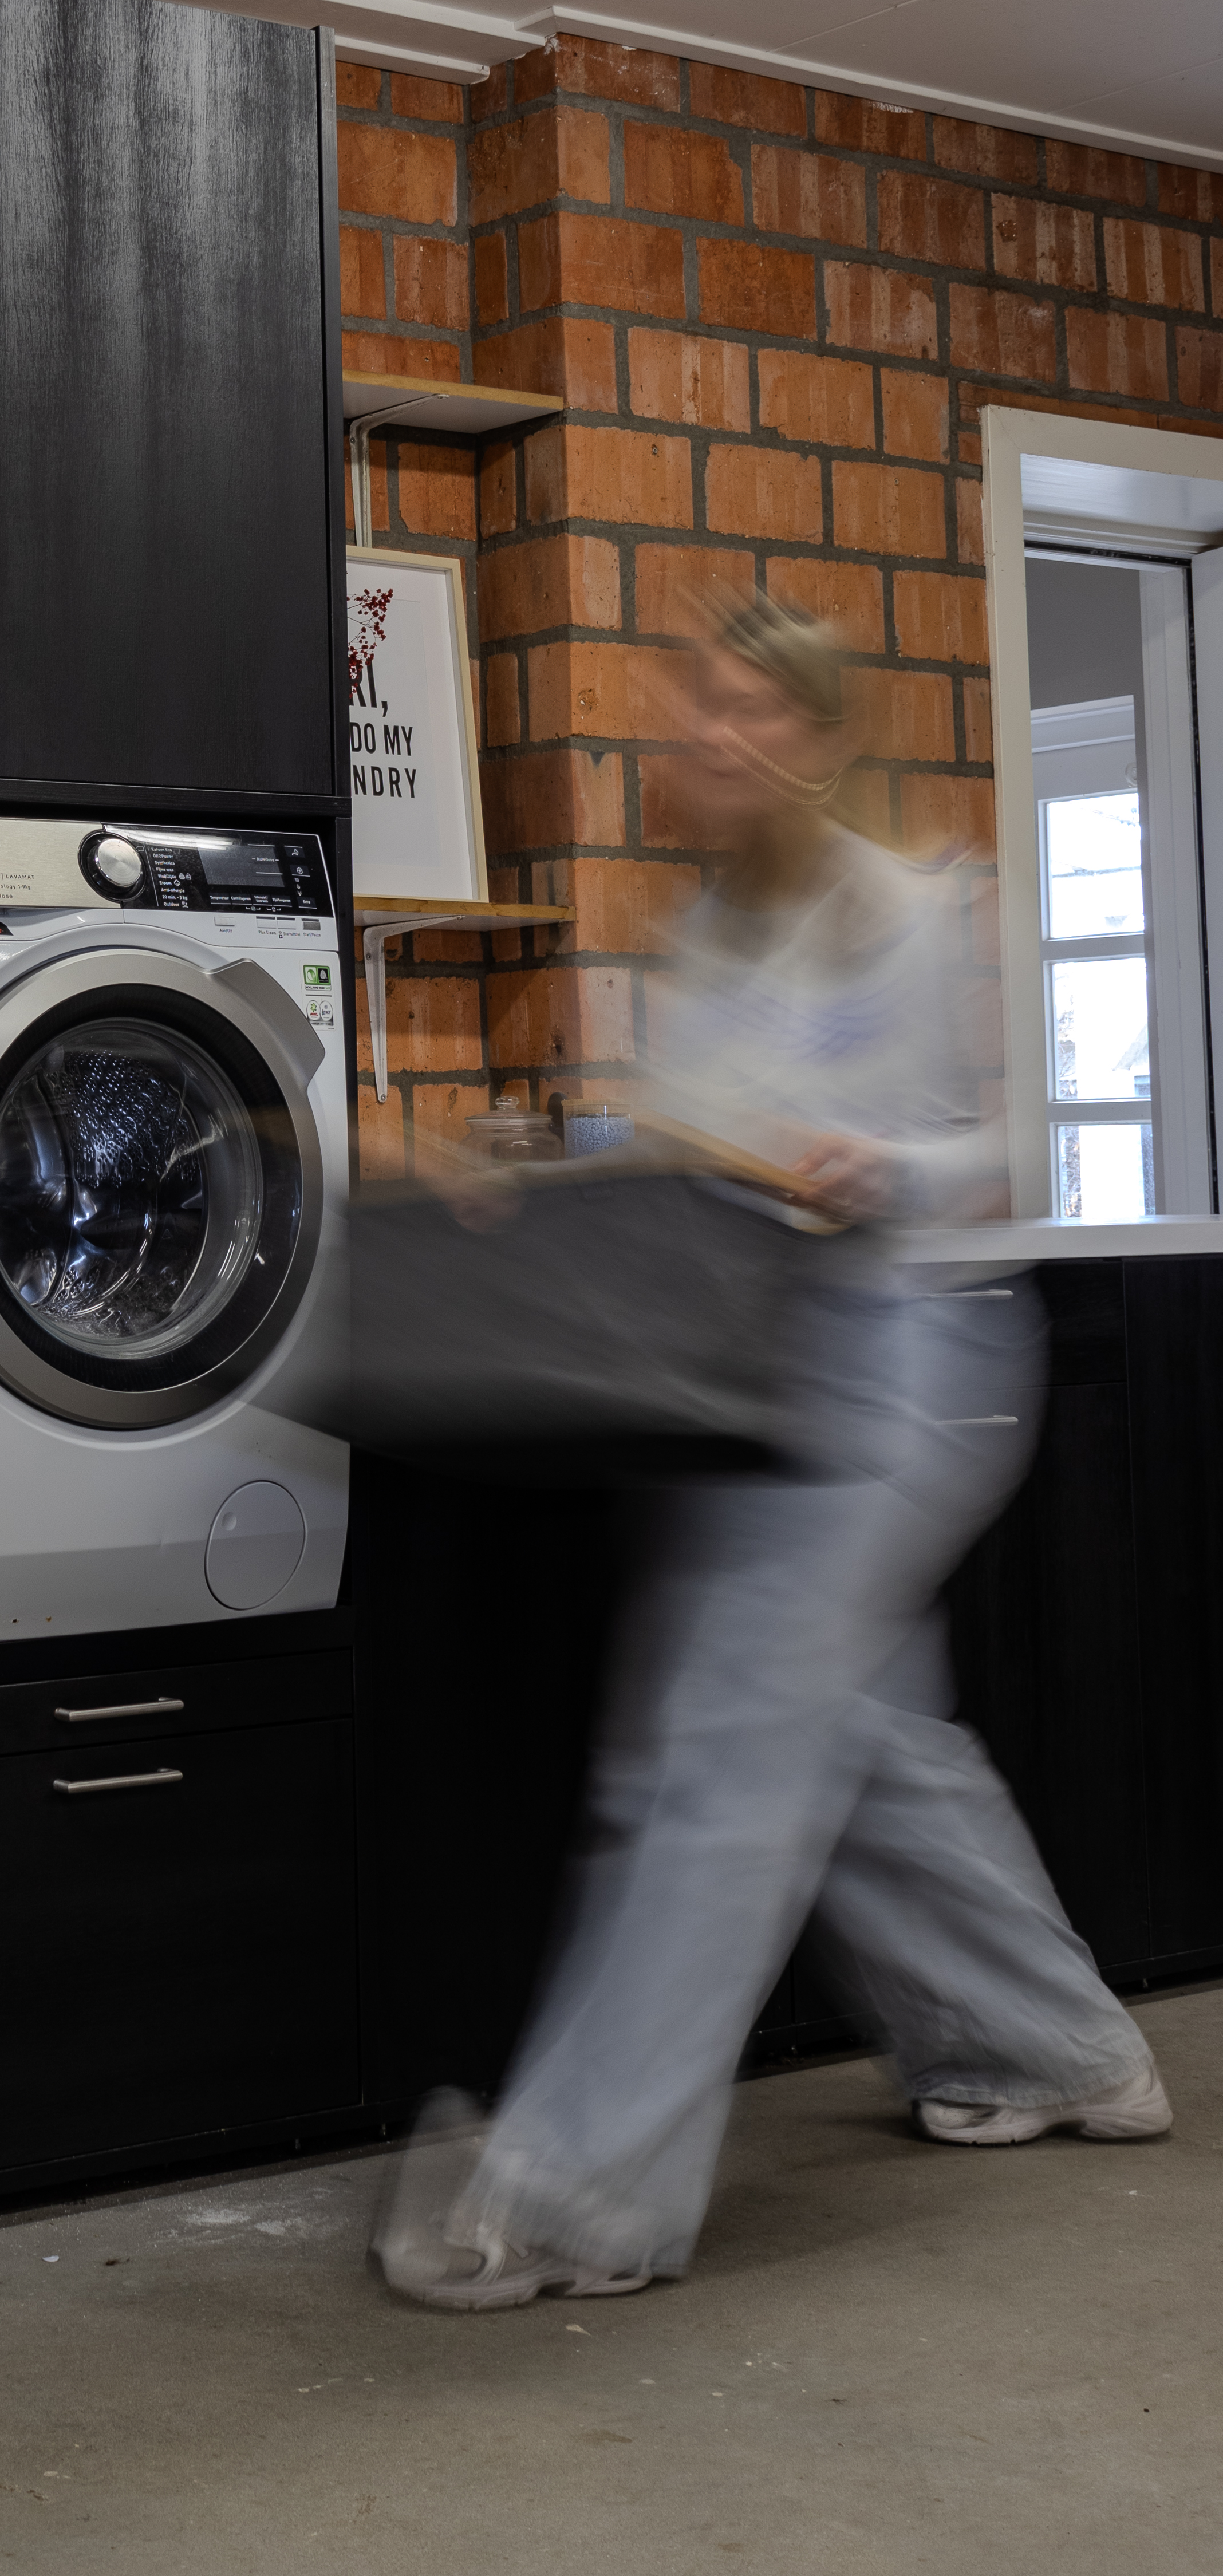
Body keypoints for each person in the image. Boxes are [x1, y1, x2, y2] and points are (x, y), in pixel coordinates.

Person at [372, 591, 1170, 2314]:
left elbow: (1032, 1139)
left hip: (923, 1361)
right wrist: (523, 1181)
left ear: (814, 739)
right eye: (693, 708)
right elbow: (698, 1161)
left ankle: (578, 2199)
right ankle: (1060, 2048)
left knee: (720, 1748)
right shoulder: (703, 945)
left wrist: (890, 1166)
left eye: (749, 709)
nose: (710, 737)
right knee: (850, 1736)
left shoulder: (918, 907)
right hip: (769, 1368)